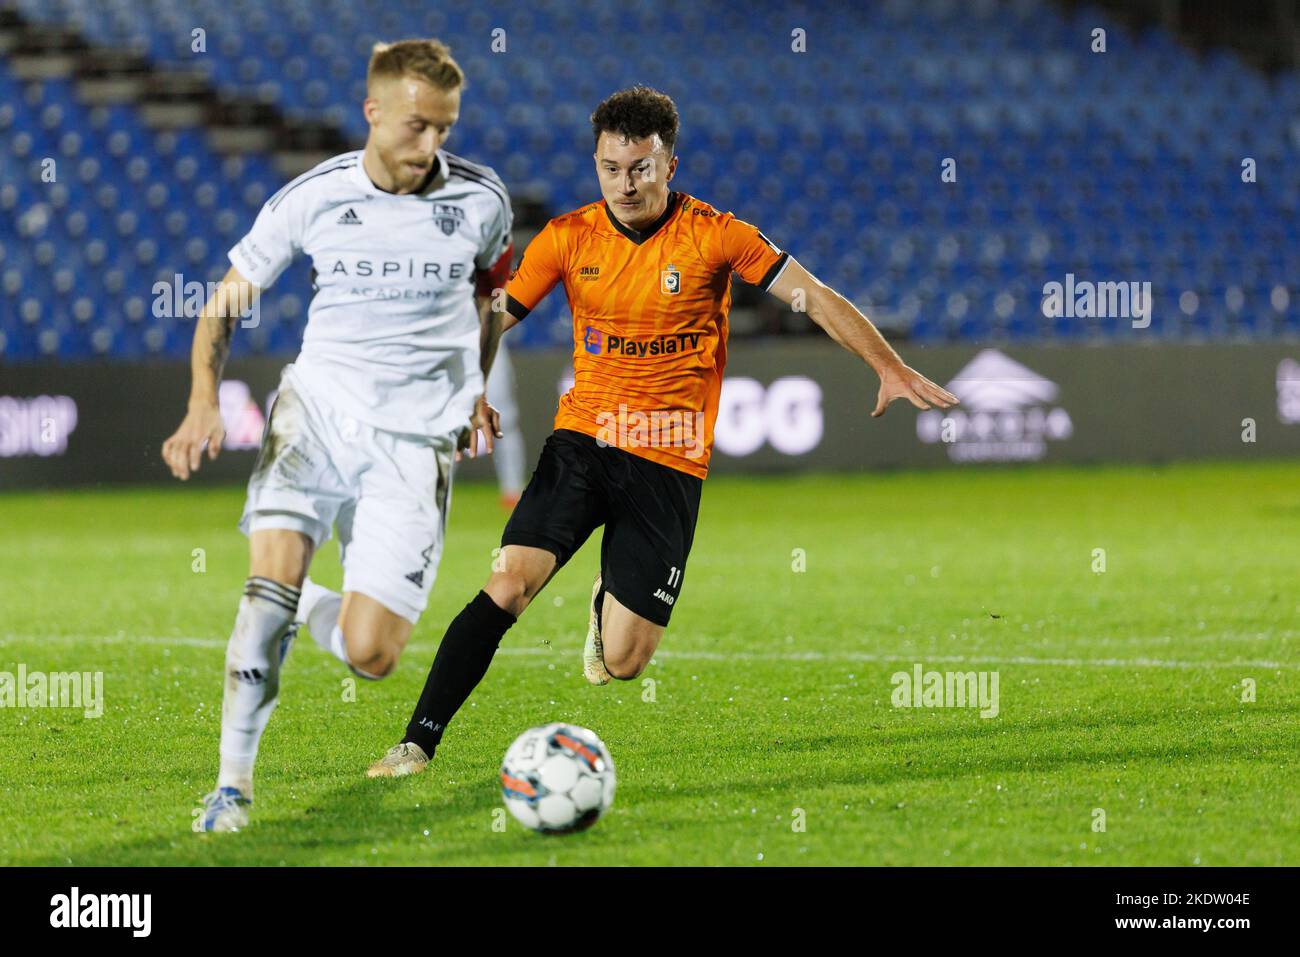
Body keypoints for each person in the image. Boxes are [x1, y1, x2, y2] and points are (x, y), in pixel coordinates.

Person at [366, 85, 957, 779]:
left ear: (670, 165)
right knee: (508, 584)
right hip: (583, 440)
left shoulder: (717, 234)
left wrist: (886, 365)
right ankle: (417, 742)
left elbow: (815, 296)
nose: (625, 182)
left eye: (641, 167)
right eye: (611, 168)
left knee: (623, 660)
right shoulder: (567, 237)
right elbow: (496, 313)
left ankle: (605, 599)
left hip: (669, 460)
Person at [160, 38, 513, 830]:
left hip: (415, 443)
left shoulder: (484, 201)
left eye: (446, 129)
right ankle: (232, 787)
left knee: (372, 655)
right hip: (316, 414)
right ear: (373, 112)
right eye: (418, 126)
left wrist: (476, 388)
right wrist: (201, 401)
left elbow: (493, 299)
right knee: (263, 597)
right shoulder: (312, 197)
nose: (432, 146)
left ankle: (297, 601)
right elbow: (222, 302)